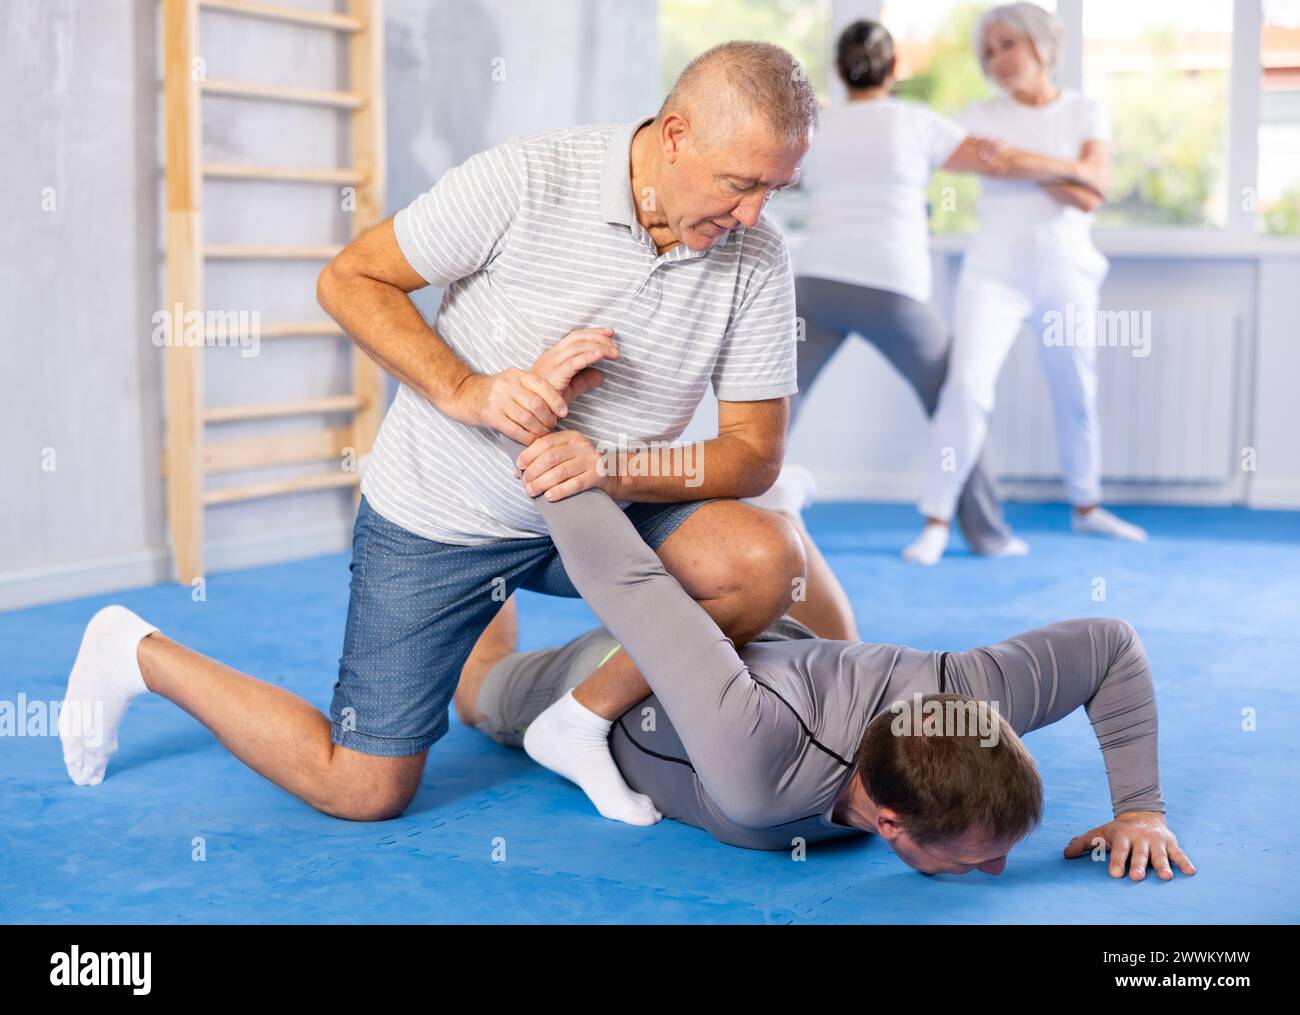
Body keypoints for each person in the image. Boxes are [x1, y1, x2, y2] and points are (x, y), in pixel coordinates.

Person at [59, 42, 829, 825]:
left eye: (775, 188)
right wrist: (469, 390)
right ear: (674, 136)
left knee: (765, 560)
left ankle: (578, 721)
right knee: (363, 789)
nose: (754, 215)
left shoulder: (757, 256)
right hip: (444, 518)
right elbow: (350, 277)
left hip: (604, 512)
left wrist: (613, 468)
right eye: (741, 184)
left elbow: (755, 452)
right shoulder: (527, 178)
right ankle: (136, 650)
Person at [456, 432, 1196, 881]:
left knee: (843, 649)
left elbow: (1110, 645)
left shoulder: (970, 690)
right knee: (478, 693)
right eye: (977, 859)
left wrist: (1141, 810)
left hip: (782, 655)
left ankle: (781, 519)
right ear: (891, 821)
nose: (999, 869)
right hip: (636, 670)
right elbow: (639, 592)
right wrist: (558, 463)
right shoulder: (762, 774)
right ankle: (471, 555)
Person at [787, 19, 1109, 575]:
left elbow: (772, 175)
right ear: (895, 70)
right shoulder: (916, 122)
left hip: (815, 284)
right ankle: (988, 534)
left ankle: (721, 513)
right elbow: (1001, 162)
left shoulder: (816, 127)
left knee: (771, 405)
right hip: (892, 286)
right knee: (954, 399)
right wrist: (1076, 169)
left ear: (840, 70)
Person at [908, 2, 1148, 566]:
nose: (997, 59)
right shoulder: (976, 114)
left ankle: (1086, 507)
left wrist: (1018, 160)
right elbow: (1079, 181)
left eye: (1006, 45)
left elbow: (1092, 196)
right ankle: (937, 518)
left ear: (1040, 43)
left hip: (1067, 267)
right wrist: (1068, 166)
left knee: (1076, 390)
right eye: (988, 52)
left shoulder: (1087, 108)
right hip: (994, 271)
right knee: (967, 387)